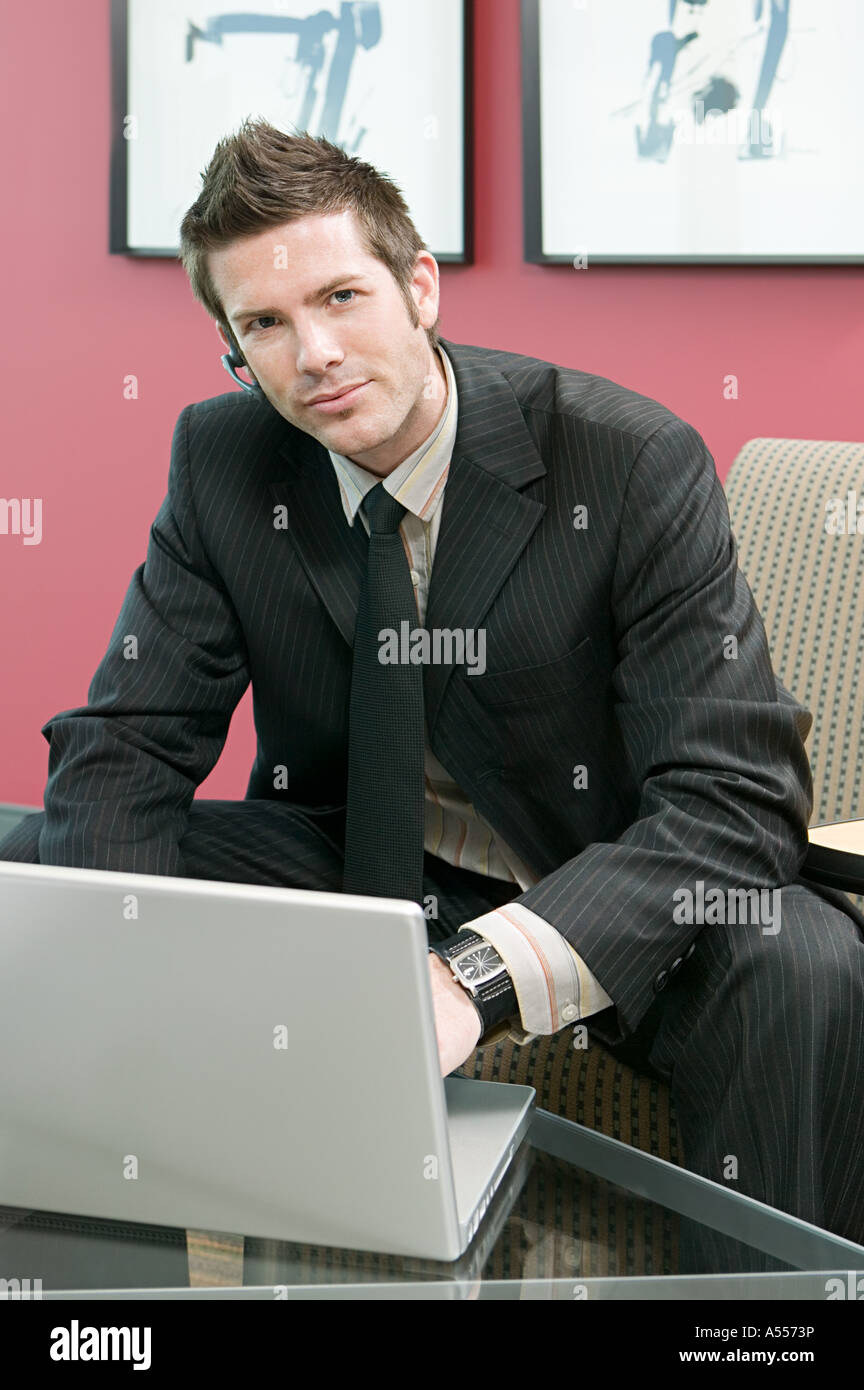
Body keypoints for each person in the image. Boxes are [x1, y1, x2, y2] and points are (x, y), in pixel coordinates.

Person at [2, 120, 862, 1265]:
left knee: (800, 957)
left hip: (599, 870)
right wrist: (123, 956)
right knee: (38, 875)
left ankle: (762, 1329)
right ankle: (95, 1298)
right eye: (264, 323)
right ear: (232, 346)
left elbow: (735, 795)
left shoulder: (627, 457)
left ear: (420, 287)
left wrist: (474, 977)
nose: (313, 353)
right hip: (363, 871)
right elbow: (125, 742)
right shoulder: (224, 460)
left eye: (343, 296)